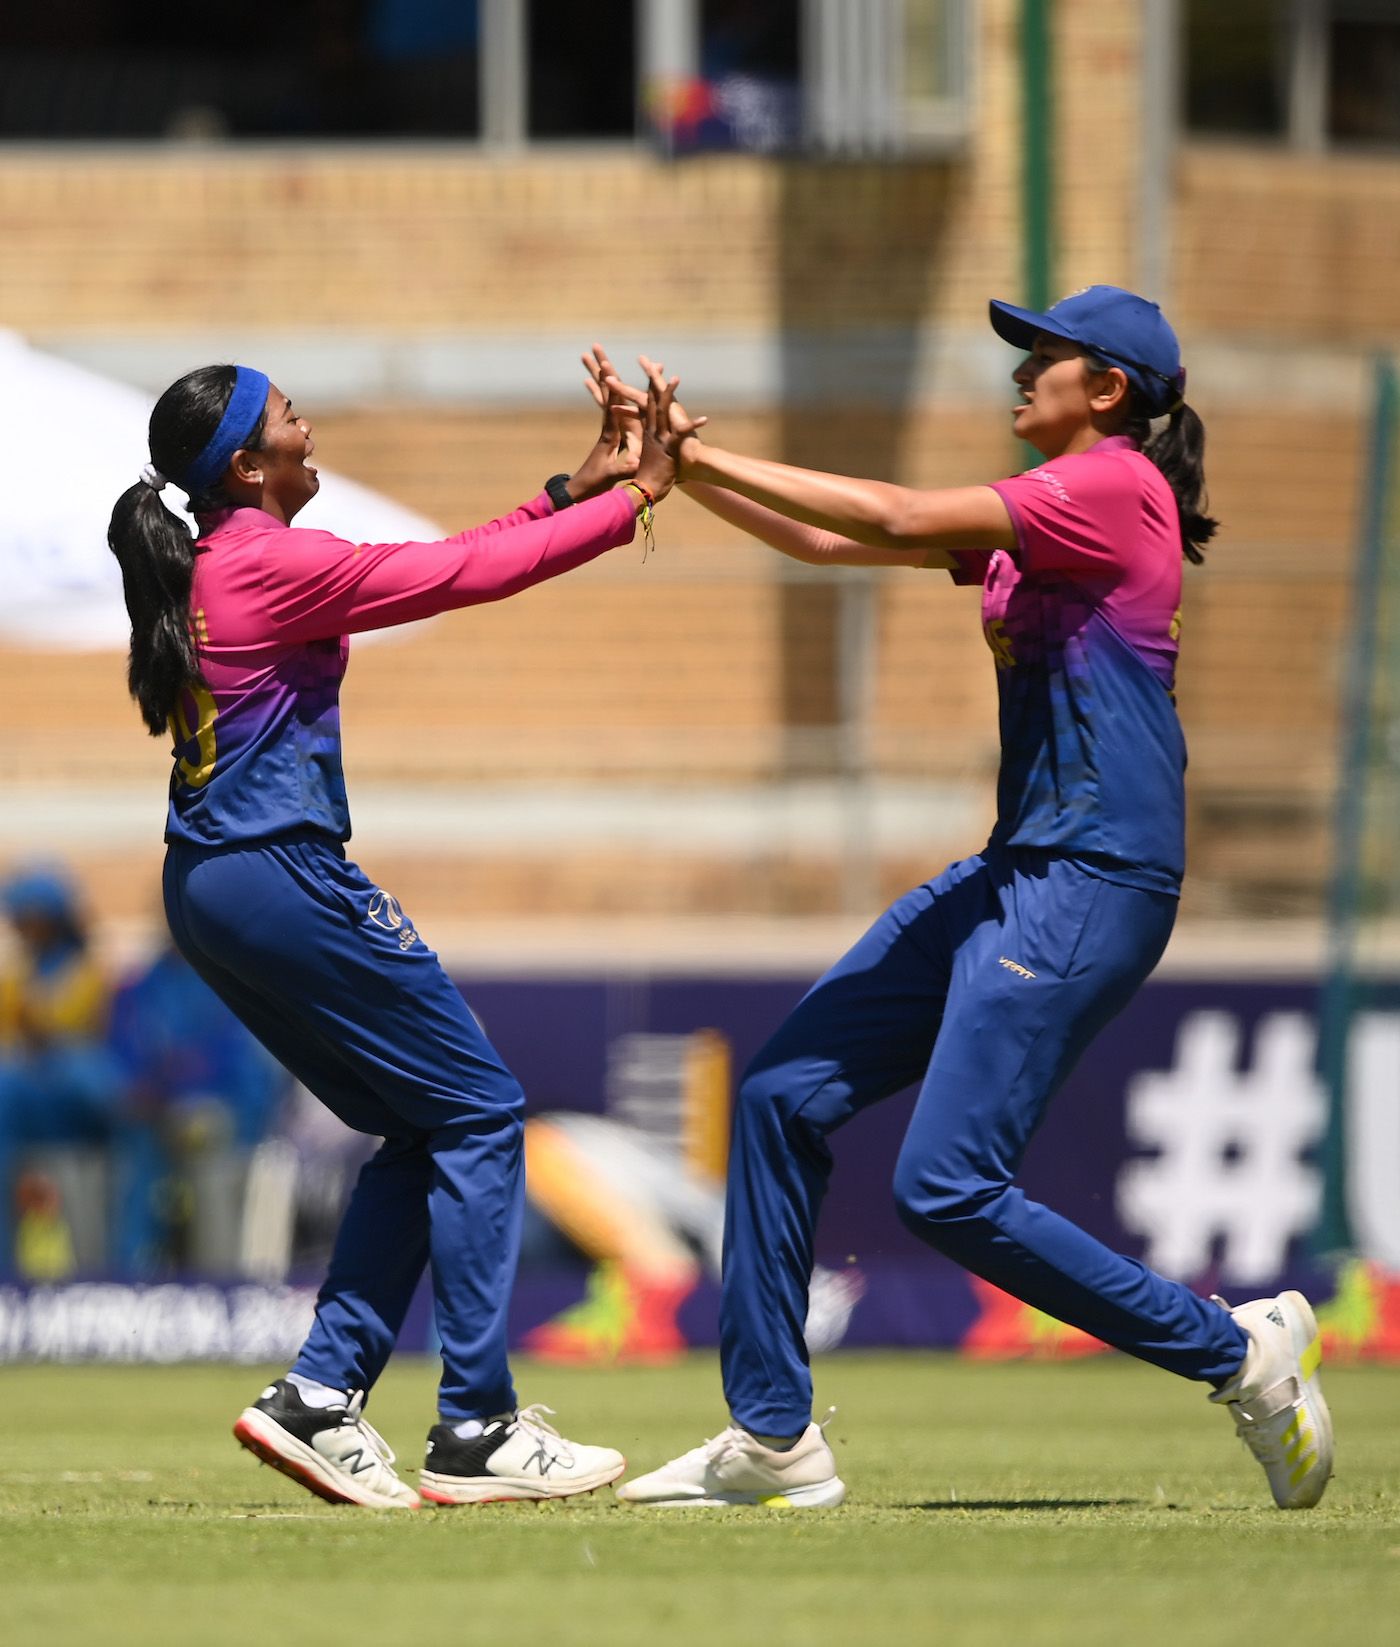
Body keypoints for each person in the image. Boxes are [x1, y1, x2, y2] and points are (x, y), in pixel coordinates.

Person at [613, 286, 1335, 1512]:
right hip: (1018, 868)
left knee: (944, 1187)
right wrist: (673, 475)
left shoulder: (1109, 486)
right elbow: (831, 545)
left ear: (1105, 388)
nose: (1016, 373)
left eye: (1038, 356)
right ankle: (772, 1438)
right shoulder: (1049, 506)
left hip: (1092, 877)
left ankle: (1235, 1353)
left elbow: (891, 509)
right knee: (781, 1096)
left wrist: (704, 455)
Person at [107, 348, 677, 1510]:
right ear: (249, 465)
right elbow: (464, 574)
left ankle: (320, 1396)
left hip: (210, 882)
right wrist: (636, 500)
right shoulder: (268, 561)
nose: (309, 430)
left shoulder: (221, 559)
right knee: (480, 1111)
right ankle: (476, 1424)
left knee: (422, 1126)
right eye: (290, 418)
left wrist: (568, 492)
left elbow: (454, 556)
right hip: (279, 872)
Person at [0, 865, 120, 1276]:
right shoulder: (19, 973)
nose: (20, 927)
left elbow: (58, 1024)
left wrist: (35, 1021)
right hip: (28, 1100)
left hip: (76, 1097)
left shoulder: (85, 970)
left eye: (28, 917)